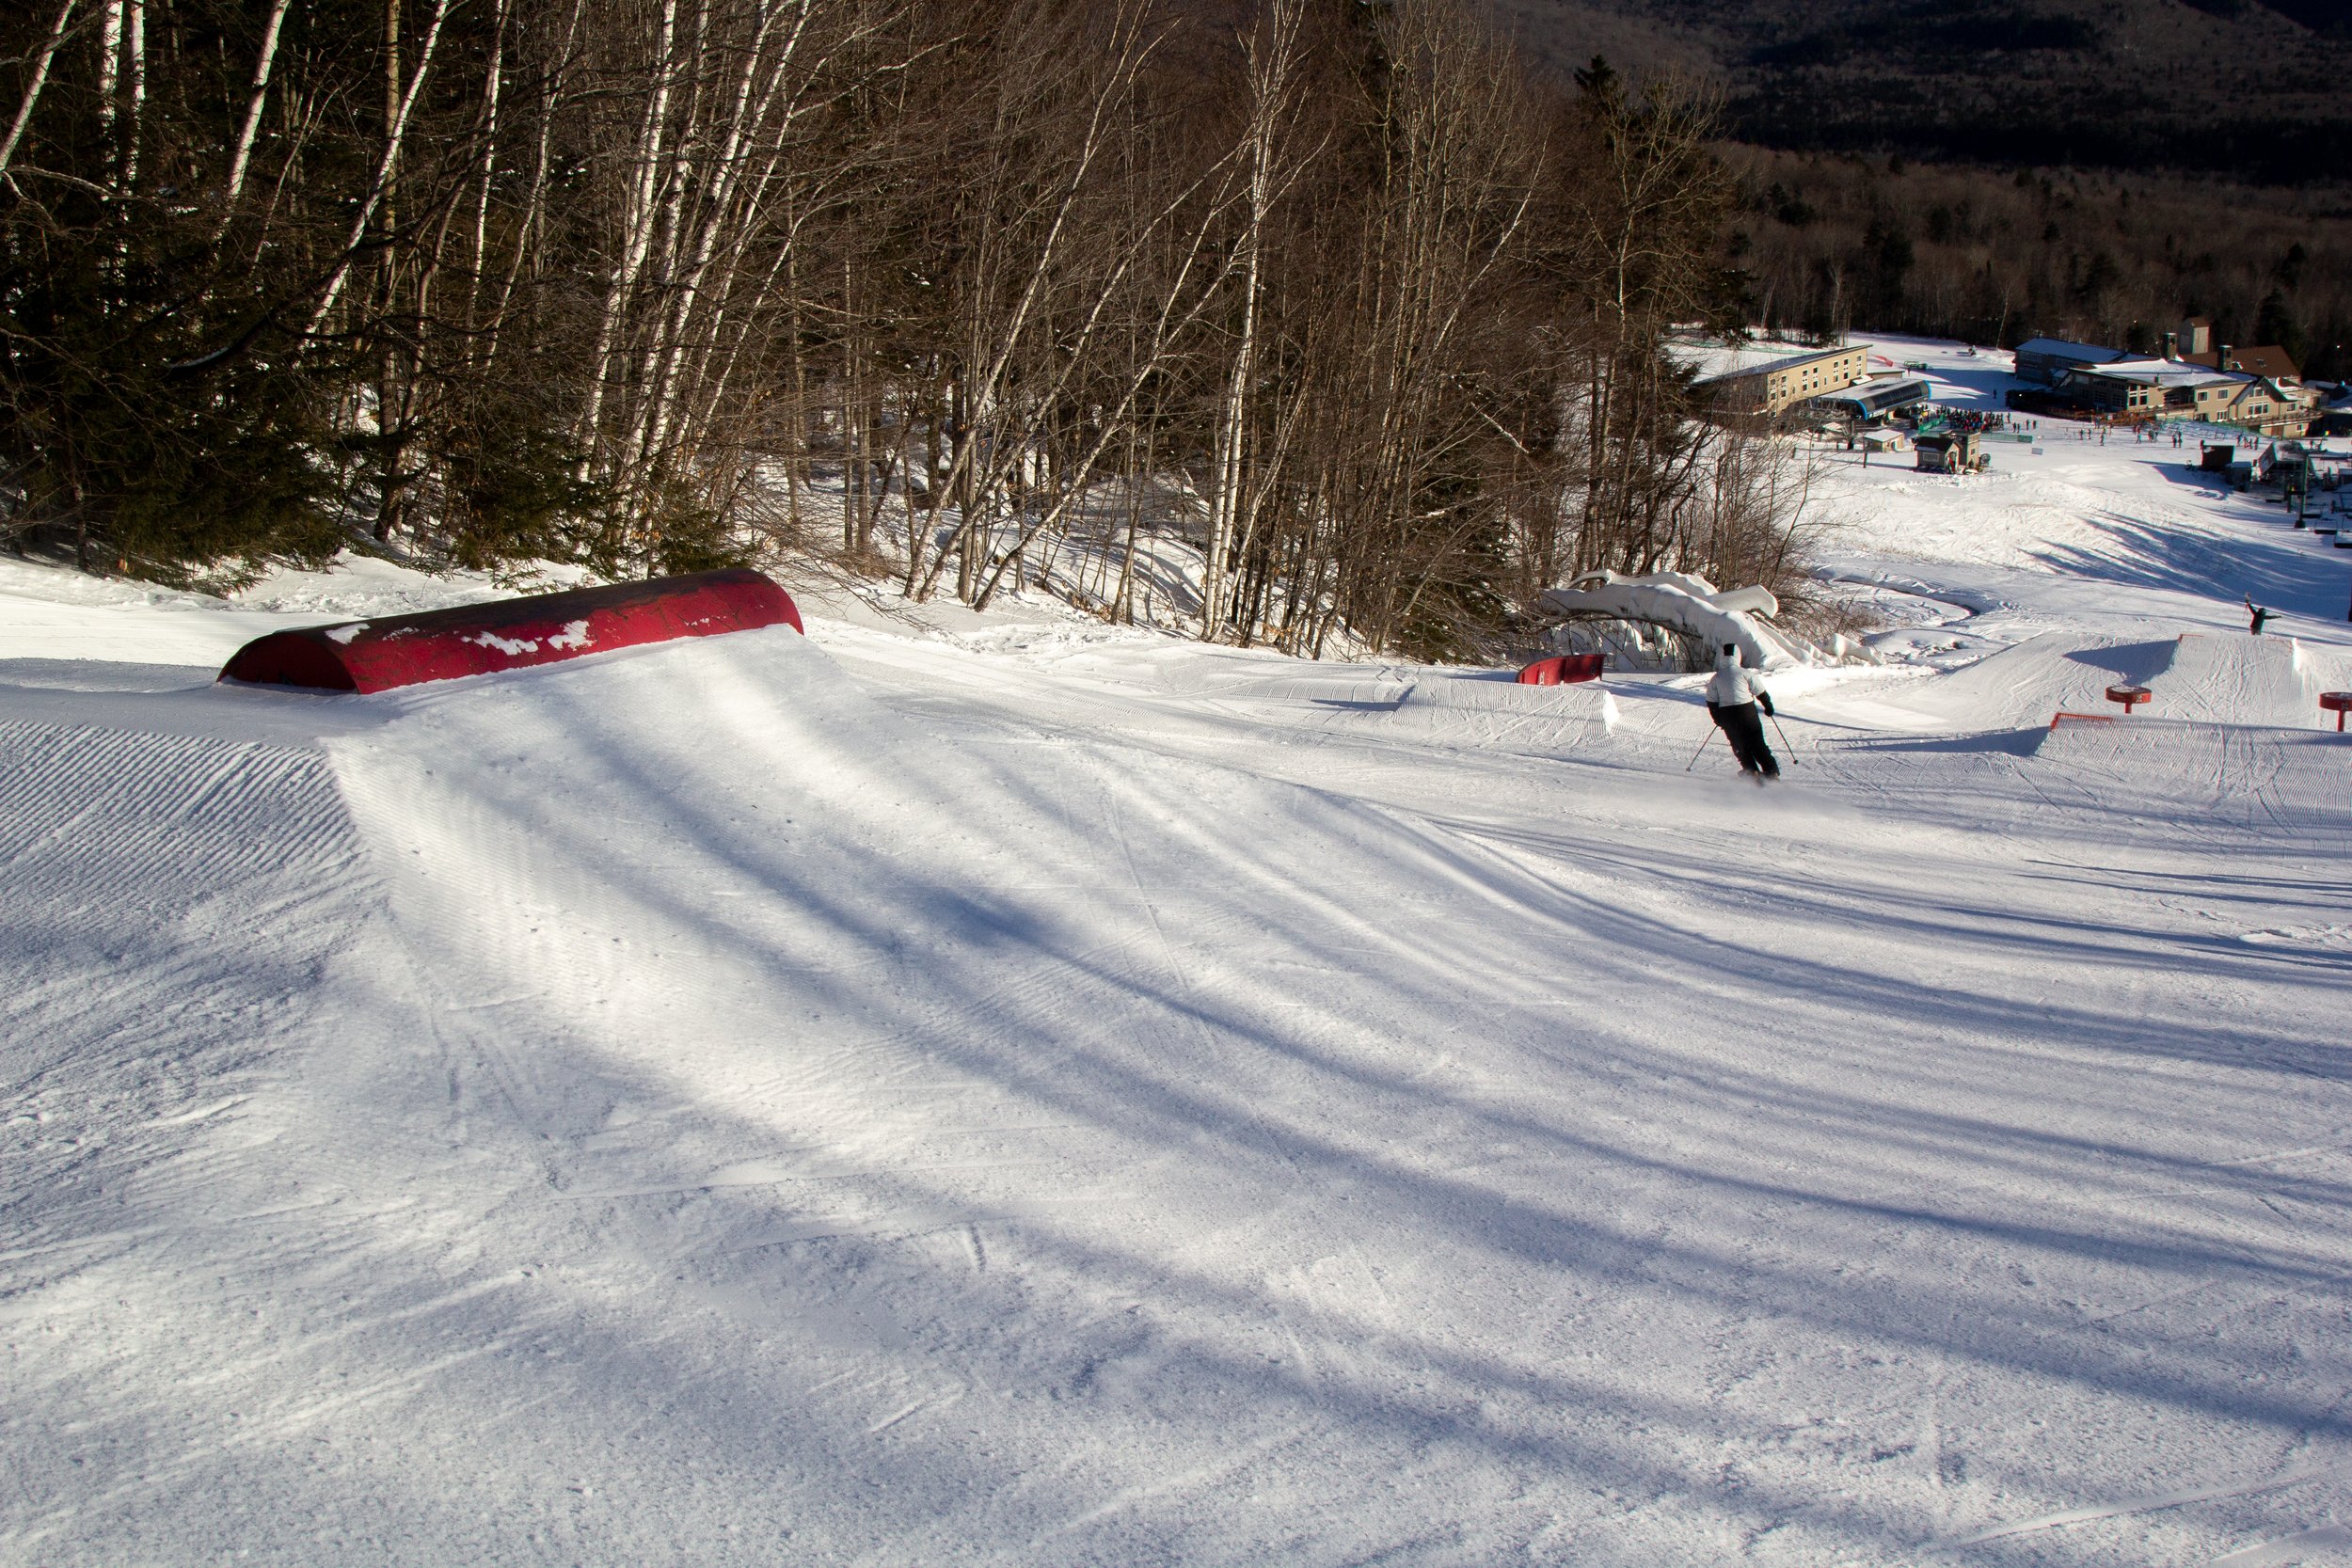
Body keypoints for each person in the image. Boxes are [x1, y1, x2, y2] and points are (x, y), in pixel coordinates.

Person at [1705, 643, 1780, 780]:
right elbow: (1760, 691)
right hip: (1747, 711)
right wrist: (1768, 706)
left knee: (1738, 743)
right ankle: (1771, 771)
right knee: (1757, 741)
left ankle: (1751, 771)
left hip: (1728, 715)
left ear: (1722, 657)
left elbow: (1711, 701)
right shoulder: (1744, 673)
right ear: (1737, 656)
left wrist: (1717, 719)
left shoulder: (1716, 678)